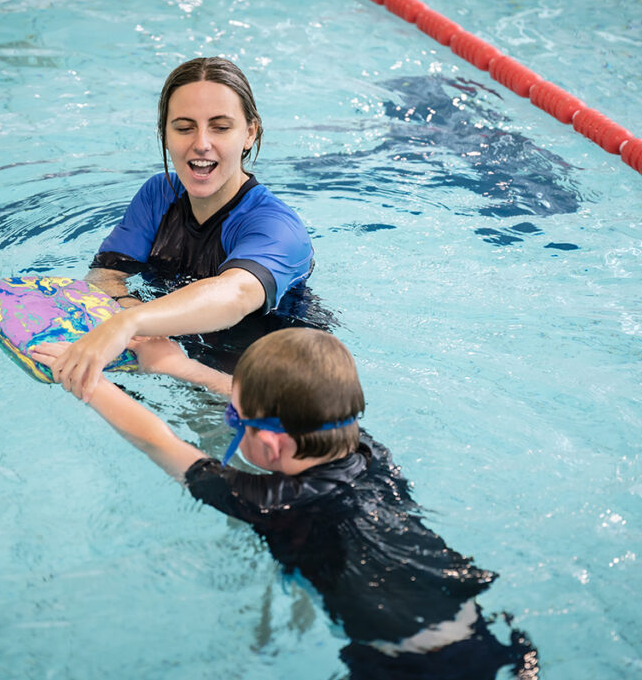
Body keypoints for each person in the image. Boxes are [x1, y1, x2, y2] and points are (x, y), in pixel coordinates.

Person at [30, 329, 539, 679]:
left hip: (408, 667)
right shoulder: (366, 449)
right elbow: (286, 409)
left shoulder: (279, 502)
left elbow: (159, 443)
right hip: (486, 631)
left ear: (271, 447)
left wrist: (88, 383)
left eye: (236, 422)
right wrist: (182, 368)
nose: (232, 423)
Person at [45, 57, 314, 402]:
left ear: (250, 133)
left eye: (220, 127)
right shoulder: (159, 196)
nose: (201, 143)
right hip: (173, 356)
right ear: (165, 134)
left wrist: (126, 324)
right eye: (184, 127)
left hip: (270, 384)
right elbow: (103, 278)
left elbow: (236, 295)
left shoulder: (275, 226)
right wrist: (150, 335)